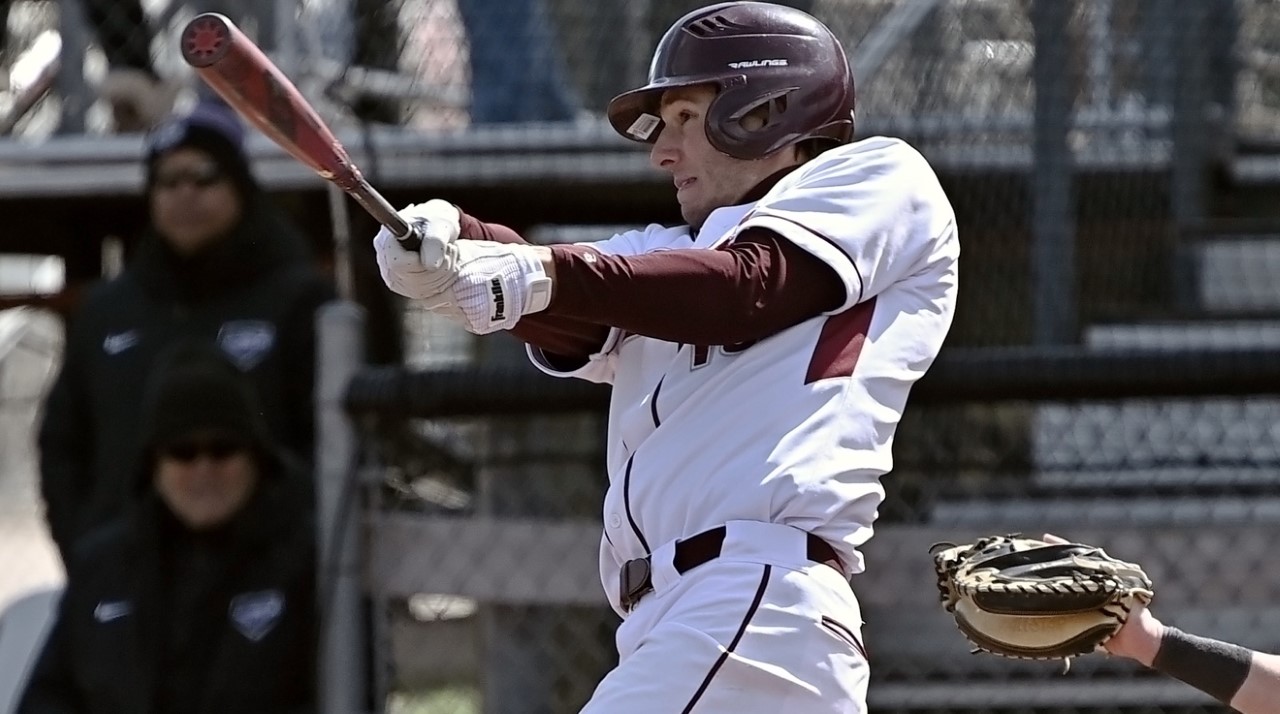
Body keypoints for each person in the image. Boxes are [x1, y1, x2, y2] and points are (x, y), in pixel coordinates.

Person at [373, 2, 959, 711]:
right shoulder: (672, 254)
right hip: (694, 620)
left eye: (685, 118)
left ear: (764, 109)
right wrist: (454, 243)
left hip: (750, 600)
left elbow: (747, 287)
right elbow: (578, 302)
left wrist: (543, 273)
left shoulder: (877, 179)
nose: (662, 152)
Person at [37, 98, 336, 566]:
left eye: (203, 178)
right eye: (168, 181)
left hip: (269, 570)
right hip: (129, 574)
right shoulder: (106, 311)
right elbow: (62, 443)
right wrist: (86, 552)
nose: (185, 195)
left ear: (239, 184)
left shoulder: (299, 300)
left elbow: (329, 442)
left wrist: (298, 547)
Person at [18, 339, 317, 714]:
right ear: (154, 466)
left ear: (257, 458)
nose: (204, 470)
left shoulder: (310, 566)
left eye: (222, 449)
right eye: (183, 452)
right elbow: (48, 698)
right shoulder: (103, 569)